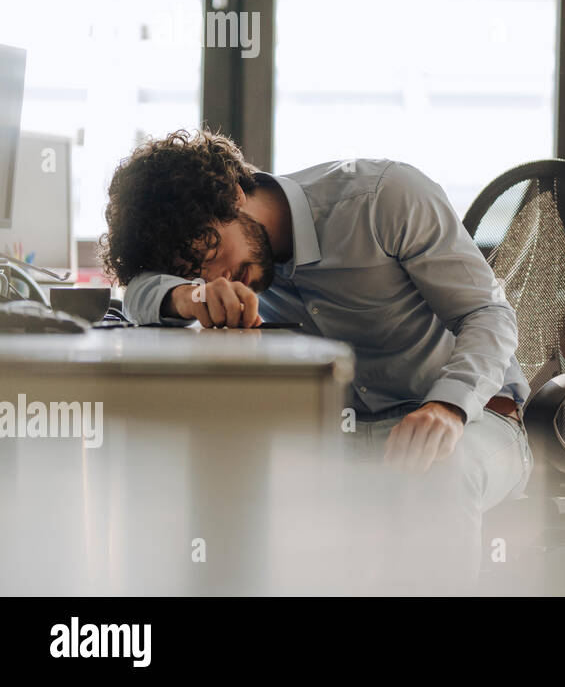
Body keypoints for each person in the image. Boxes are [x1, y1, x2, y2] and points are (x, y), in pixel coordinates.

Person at [99, 128, 533, 590]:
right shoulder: (223, 272)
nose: (221, 278)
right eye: (195, 270)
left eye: (210, 251)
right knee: (218, 475)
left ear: (231, 193)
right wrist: (186, 295)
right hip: (345, 431)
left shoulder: (384, 198)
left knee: (440, 474)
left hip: (473, 418)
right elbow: (138, 294)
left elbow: (489, 315)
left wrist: (446, 406)